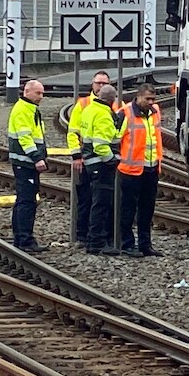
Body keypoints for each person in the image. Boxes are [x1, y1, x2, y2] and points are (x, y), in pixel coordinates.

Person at [66, 70, 116, 246]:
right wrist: (76, 156)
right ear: (92, 84)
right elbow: (73, 132)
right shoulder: (83, 104)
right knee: (87, 199)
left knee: (104, 200)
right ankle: (84, 235)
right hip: (91, 159)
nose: (101, 86)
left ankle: (102, 235)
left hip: (97, 158)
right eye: (98, 83)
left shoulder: (116, 103)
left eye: (104, 83)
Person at [115, 83, 164, 258]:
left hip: (151, 168)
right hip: (130, 170)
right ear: (139, 96)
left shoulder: (155, 111)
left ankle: (145, 244)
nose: (151, 102)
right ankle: (127, 244)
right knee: (128, 209)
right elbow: (114, 140)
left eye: (153, 99)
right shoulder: (125, 113)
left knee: (147, 209)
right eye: (147, 99)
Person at [7, 80, 48, 253]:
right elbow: (25, 138)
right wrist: (37, 157)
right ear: (27, 91)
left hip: (24, 161)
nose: (41, 97)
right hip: (25, 162)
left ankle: (20, 238)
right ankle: (25, 239)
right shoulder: (23, 110)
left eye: (42, 93)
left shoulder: (30, 109)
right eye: (38, 93)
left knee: (23, 200)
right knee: (27, 201)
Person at [80, 84, 121, 255]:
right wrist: (112, 160)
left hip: (89, 162)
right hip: (101, 165)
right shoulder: (104, 114)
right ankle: (97, 242)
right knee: (102, 204)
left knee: (95, 202)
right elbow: (100, 145)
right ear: (112, 99)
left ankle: (92, 240)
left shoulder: (89, 109)